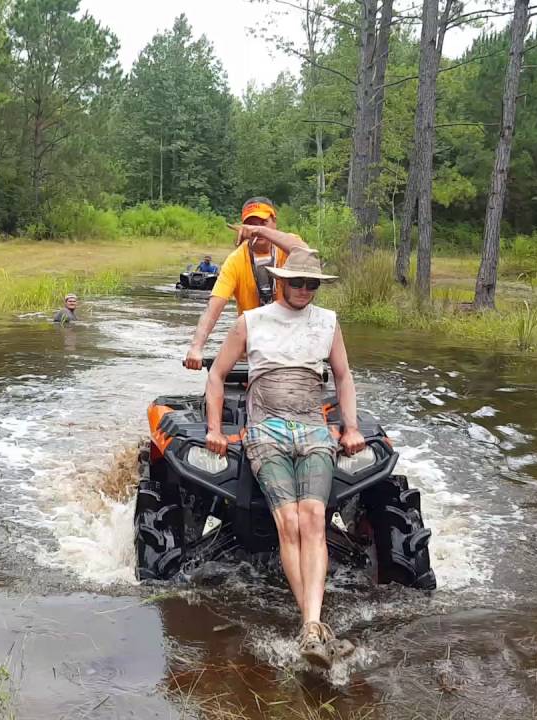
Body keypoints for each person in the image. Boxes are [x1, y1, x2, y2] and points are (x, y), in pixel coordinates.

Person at [204, 247, 363, 669]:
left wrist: (351, 427)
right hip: (265, 430)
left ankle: (311, 625)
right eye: (298, 282)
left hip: (313, 428)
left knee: (314, 519)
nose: (305, 290)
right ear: (280, 281)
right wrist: (215, 430)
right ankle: (313, 627)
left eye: (312, 284)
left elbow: (344, 376)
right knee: (288, 522)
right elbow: (217, 375)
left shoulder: (328, 323)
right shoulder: (250, 322)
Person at [183, 197, 308, 370]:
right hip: (253, 350)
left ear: (274, 222)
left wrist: (261, 231)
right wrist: (196, 347)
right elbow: (213, 309)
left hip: (292, 345)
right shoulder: (235, 261)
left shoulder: (290, 246)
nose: (256, 230)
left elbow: (306, 253)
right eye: (251, 225)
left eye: (263, 223)